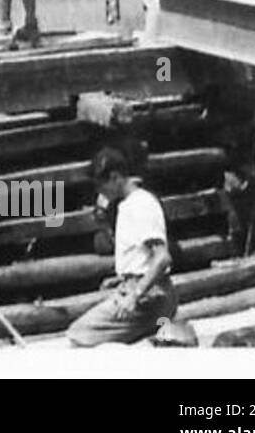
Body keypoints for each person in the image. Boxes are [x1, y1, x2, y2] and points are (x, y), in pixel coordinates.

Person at [68, 144, 177, 346]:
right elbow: (141, 257)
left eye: (101, 186)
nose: (100, 193)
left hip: (149, 299)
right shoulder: (129, 205)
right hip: (144, 293)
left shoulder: (141, 204)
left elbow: (162, 258)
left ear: (115, 177)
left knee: (78, 337)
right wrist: (123, 276)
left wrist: (135, 295)